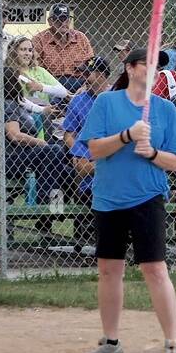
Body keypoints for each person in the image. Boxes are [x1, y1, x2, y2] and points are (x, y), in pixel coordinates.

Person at [74, 48, 176, 353]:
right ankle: (110, 342)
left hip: (148, 198)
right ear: (130, 68)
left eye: (158, 66)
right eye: (147, 64)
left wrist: (151, 151)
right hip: (109, 199)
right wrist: (127, 135)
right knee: (110, 271)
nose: (153, 70)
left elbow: (175, 162)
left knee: (154, 269)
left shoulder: (166, 110)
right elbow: (94, 149)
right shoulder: (106, 103)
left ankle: (172, 343)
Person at [0, 68, 73, 205]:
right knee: (54, 150)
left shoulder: (18, 103)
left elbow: (36, 109)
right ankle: (44, 201)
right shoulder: (8, 104)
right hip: (9, 160)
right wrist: (40, 142)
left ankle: (49, 218)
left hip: (26, 157)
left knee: (68, 173)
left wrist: (48, 112)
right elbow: (15, 135)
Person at [64, 56, 113, 243]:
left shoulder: (118, 97)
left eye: (88, 73)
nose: (84, 77)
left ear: (102, 75)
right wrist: (80, 153)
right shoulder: (78, 101)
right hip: (88, 159)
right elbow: (69, 134)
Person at [30, 3, 93, 94]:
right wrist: (56, 90)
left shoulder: (81, 38)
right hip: (52, 82)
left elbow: (92, 64)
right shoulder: (39, 39)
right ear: (50, 21)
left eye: (66, 19)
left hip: (80, 82)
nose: (63, 23)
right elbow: (35, 69)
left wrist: (85, 86)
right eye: (59, 19)